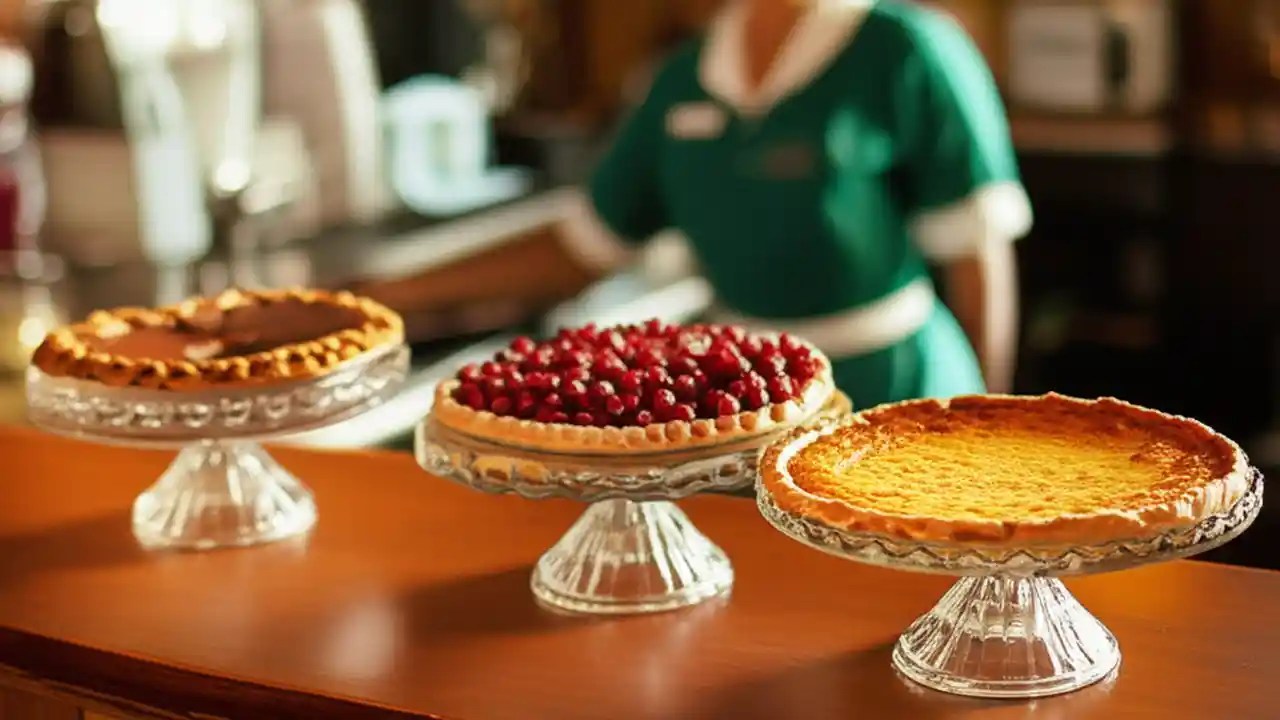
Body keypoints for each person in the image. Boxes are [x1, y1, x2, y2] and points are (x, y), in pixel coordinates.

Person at [555, 0, 1031, 408]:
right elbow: (589, 241)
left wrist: (983, 425)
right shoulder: (681, 77)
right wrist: (476, 276)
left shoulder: (906, 49)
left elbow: (977, 260)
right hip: (742, 400)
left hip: (893, 389)